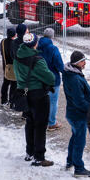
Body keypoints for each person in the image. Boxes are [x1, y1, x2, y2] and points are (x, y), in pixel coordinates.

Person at [14, 31, 56, 167]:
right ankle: (39, 156)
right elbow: (50, 78)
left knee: (30, 123)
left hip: (24, 93)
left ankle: (29, 152)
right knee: (40, 126)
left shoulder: (18, 56)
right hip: (38, 95)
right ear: (34, 44)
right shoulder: (37, 60)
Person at [62, 50, 90, 177]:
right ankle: (79, 168)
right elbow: (79, 101)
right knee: (79, 141)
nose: (85, 63)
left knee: (75, 137)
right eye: (83, 61)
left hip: (73, 113)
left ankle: (70, 161)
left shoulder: (71, 73)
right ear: (77, 63)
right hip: (78, 115)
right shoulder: (75, 78)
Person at [38, 27, 65, 130]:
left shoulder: (36, 46)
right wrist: (64, 71)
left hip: (39, 78)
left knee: (41, 100)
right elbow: (59, 65)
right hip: (52, 80)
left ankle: (40, 120)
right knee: (53, 102)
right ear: (52, 36)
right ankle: (51, 123)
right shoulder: (53, 49)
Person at [0, 28, 17, 106]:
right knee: (13, 84)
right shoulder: (13, 44)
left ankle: (3, 100)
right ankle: (11, 101)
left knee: (5, 83)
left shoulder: (3, 42)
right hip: (12, 67)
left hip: (5, 66)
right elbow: (13, 56)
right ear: (14, 35)